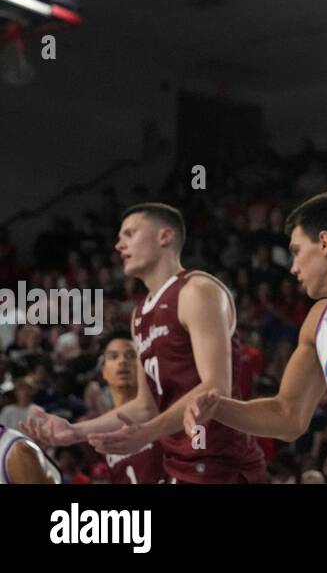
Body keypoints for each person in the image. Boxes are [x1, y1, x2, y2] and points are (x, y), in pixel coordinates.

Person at [24, 203, 267, 483]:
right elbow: (145, 406)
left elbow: (215, 388)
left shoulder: (196, 291)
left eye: (129, 233)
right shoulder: (140, 316)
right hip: (179, 463)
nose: (118, 245)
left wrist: (148, 432)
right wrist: (76, 431)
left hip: (220, 461)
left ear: (165, 236)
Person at [185, 192, 327, 477]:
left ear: (324, 242)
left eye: (296, 251)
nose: (293, 267)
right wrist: (219, 409)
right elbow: (288, 416)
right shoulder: (318, 322)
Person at [96, 331, 165, 484]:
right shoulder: (99, 431)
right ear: (104, 372)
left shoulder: (163, 411)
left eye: (131, 355)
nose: (122, 362)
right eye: (113, 357)